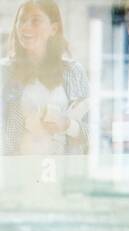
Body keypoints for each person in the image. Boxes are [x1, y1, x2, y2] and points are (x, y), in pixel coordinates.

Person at [1, 0, 88, 155]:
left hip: (64, 171)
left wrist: (67, 125)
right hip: (16, 171)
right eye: (21, 21)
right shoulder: (4, 71)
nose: (25, 27)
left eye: (35, 21)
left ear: (53, 29)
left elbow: (93, 131)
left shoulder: (73, 71)